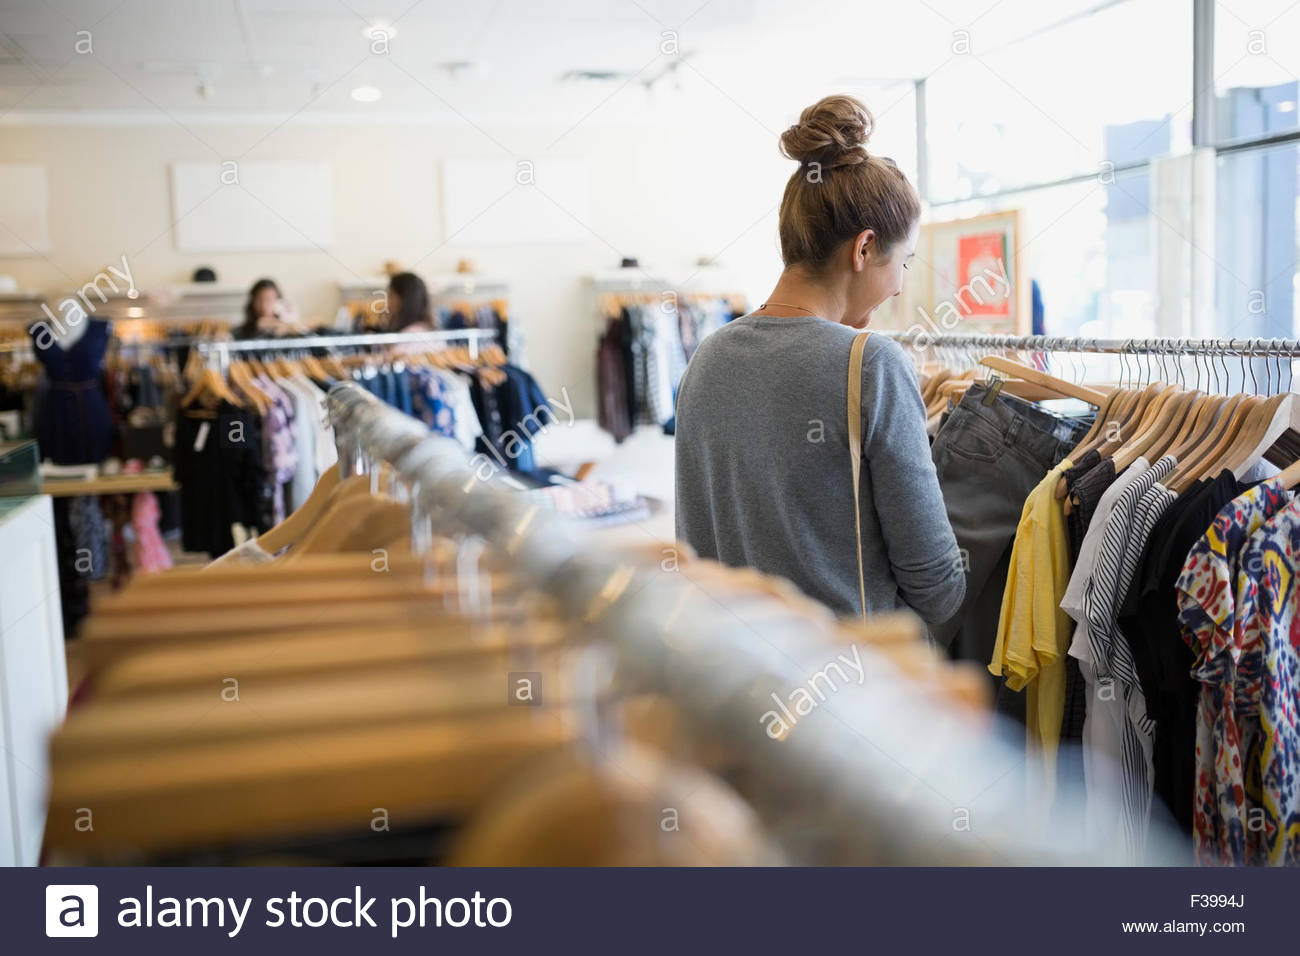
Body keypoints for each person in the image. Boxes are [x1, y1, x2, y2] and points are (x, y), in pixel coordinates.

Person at [673, 94, 965, 624]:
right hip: (847, 690)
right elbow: (938, 587)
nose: (899, 287)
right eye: (905, 262)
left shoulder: (705, 359)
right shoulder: (872, 365)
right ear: (864, 248)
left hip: (730, 681)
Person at [235, 278, 304, 339]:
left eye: (269, 300)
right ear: (252, 302)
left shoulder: (291, 331)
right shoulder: (239, 333)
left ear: (279, 302)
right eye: (259, 300)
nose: (264, 306)